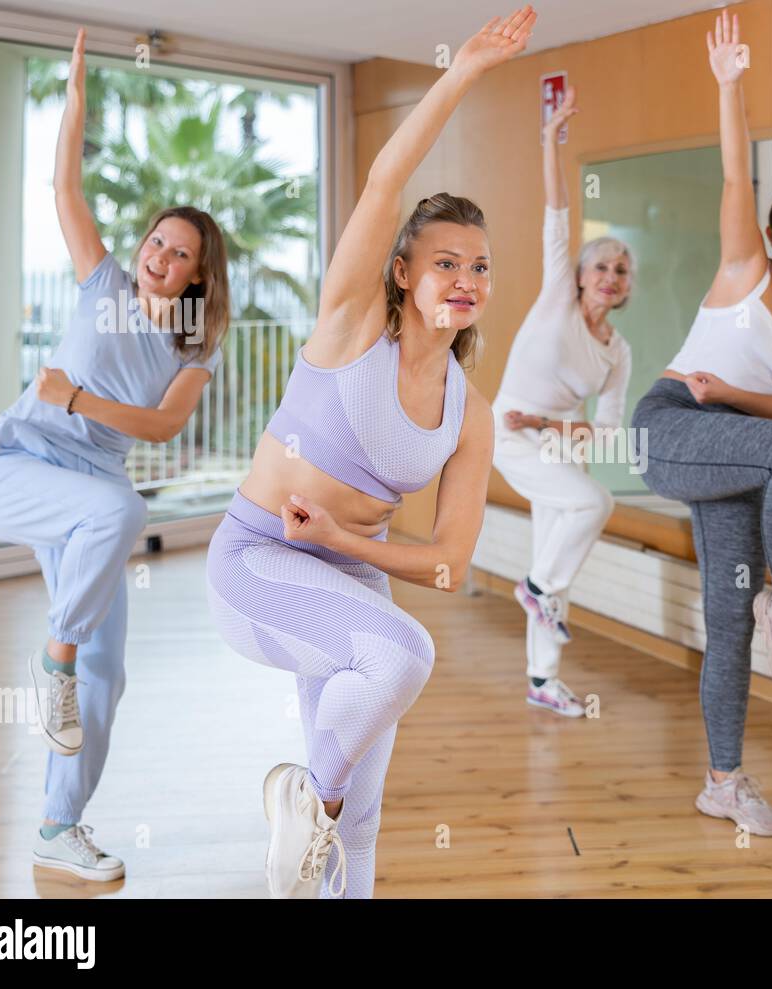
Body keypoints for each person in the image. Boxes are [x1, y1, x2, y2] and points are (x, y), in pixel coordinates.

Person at [205, 6, 536, 898]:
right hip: (257, 562)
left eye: (479, 266)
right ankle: (301, 794)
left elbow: (446, 566)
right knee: (403, 659)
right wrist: (463, 71)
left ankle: (312, 814)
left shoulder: (471, 414)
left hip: (347, 578)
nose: (465, 280)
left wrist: (347, 544)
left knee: (364, 812)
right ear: (403, 272)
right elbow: (387, 180)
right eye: (445, 263)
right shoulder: (353, 325)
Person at [0, 28, 229, 881]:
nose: (159, 256)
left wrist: (74, 396)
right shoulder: (100, 280)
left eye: (178, 252)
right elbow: (63, 183)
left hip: (88, 497)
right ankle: (57, 655)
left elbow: (158, 431)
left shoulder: (193, 352)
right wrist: (77, 94)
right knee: (122, 514)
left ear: (195, 276)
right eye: (156, 240)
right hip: (14, 465)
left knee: (110, 672)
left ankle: (57, 822)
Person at [629, 9, 772, 837]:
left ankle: (723, 779)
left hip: (735, 441)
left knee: (726, 617)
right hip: (671, 425)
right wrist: (730, 85)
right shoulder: (743, 267)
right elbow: (733, 176)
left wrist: (733, 395)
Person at [492, 83, 634, 717]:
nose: (610, 275)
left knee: (555, 552)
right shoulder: (556, 295)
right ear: (580, 275)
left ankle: (542, 679)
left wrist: (552, 421)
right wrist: (550, 137)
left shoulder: (618, 351)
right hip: (511, 434)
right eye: (601, 265)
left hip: (553, 436)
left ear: (627, 289)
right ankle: (535, 589)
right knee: (590, 505)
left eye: (622, 271)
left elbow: (606, 431)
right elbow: (557, 212)